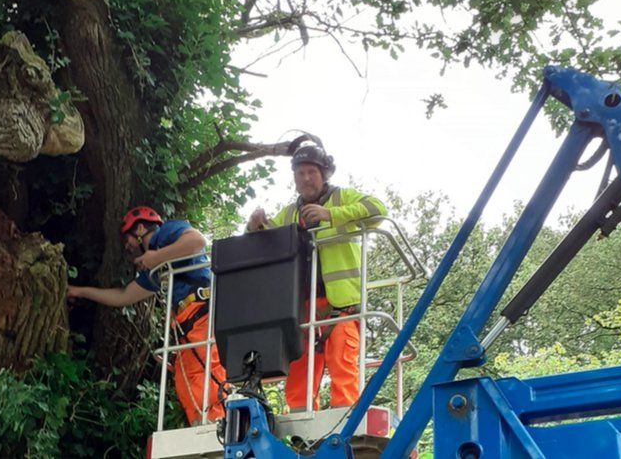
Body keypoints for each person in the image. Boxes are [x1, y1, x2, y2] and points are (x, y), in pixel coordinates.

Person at [247, 138, 387, 412]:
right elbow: (266, 241)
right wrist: (254, 227)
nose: (306, 178)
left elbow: (378, 209)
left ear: (324, 174)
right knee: (299, 372)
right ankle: (300, 434)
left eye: (312, 172)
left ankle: (344, 427)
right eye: (300, 173)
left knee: (343, 366)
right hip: (300, 309)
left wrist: (331, 214)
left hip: (339, 306)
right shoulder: (289, 213)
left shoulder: (342, 198)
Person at [67, 206, 226, 425]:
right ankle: (201, 428)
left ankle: (219, 425)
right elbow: (123, 296)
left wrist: (157, 255)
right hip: (186, 326)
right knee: (184, 380)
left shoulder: (166, 233)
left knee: (204, 376)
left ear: (140, 228)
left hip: (200, 315)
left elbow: (197, 241)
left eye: (128, 239)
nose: (127, 246)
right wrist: (79, 291)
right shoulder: (154, 270)